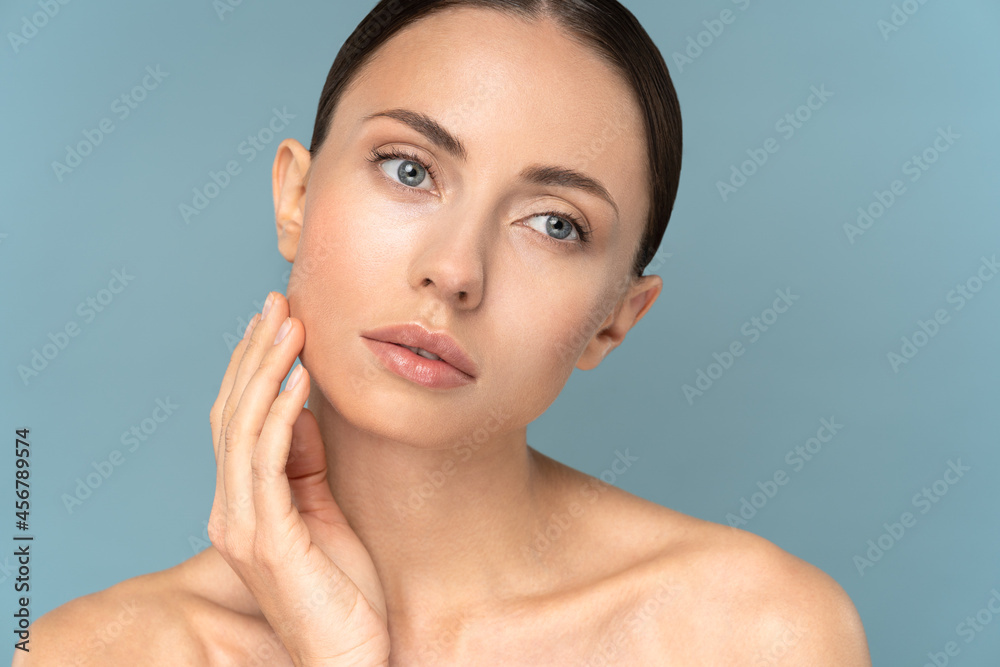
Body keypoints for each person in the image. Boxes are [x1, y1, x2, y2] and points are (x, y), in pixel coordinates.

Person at [17, 1, 872, 664]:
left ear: (615, 318)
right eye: (411, 169)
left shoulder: (754, 633)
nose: (455, 269)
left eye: (554, 224)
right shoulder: (90, 652)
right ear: (295, 197)